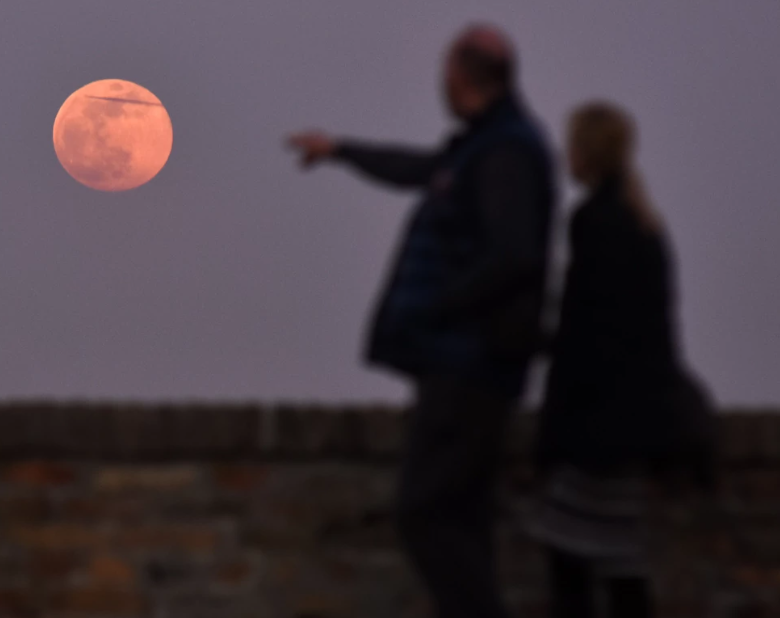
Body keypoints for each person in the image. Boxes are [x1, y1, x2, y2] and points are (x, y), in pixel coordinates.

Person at [287, 24, 555, 618]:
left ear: (459, 79)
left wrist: (442, 308)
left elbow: (515, 255)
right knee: (461, 514)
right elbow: (418, 169)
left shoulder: (506, 150)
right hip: (461, 364)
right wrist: (341, 150)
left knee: (425, 513)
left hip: (470, 367)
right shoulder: (483, 146)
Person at [525, 102, 716, 618]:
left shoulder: (593, 223)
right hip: (637, 425)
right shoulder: (646, 226)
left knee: (571, 556)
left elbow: (584, 336)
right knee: (620, 558)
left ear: (585, 152)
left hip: (597, 429)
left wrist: (552, 433)